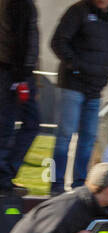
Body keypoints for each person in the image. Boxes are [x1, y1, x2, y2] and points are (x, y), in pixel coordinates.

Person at [50, 0, 108, 194]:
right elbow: (58, 42)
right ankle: (55, 184)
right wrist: (76, 67)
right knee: (65, 136)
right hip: (73, 85)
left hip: (95, 88)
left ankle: (80, 185)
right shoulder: (78, 11)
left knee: (88, 138)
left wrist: (107, 72)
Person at [0, 0, 39, 196]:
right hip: (10, 71)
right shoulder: (13, 4)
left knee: (31, 123)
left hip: (22, 72)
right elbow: (12, 37)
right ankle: (3, 177)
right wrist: (18, 73)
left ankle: (6, 173)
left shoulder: (26, 4)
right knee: (5, 126)